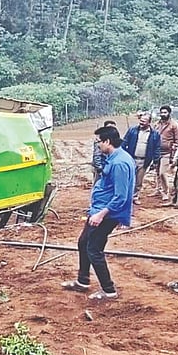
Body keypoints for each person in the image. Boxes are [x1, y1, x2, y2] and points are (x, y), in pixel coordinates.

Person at [62, 126, 134, 300]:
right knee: (83, 242)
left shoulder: (120, 163)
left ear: (107, 141)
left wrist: (101, 214)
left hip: (107, 214)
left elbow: (121, 196)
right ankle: (83, 281)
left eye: (98, 142)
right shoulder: (114, 158)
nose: (97, 145)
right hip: (99, 210)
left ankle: (109, 290)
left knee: (94, 249)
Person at [122, 111, 161, 204]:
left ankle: (134, 197)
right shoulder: (132, 130)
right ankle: (125, 196)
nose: (141, 122)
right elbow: (124, 142)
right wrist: (123, 155)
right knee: (128, 178)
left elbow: (157, 148)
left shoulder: (155, 134)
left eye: (144, 121)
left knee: (139, 181)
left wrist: (155, 161)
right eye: (141, 120)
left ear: (149, 122)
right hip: (131, 159)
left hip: (144, 161)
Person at [153, 106, 178, 202]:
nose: (163, 114)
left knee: (162, 173)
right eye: (161, 112)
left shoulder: (174, 125)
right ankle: (158, 189)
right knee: (157, 172)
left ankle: (166, 192)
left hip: (167, 152)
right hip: (157, 151)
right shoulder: (157, 124)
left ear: (169, 113)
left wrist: (174, 154)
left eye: (165, 112)